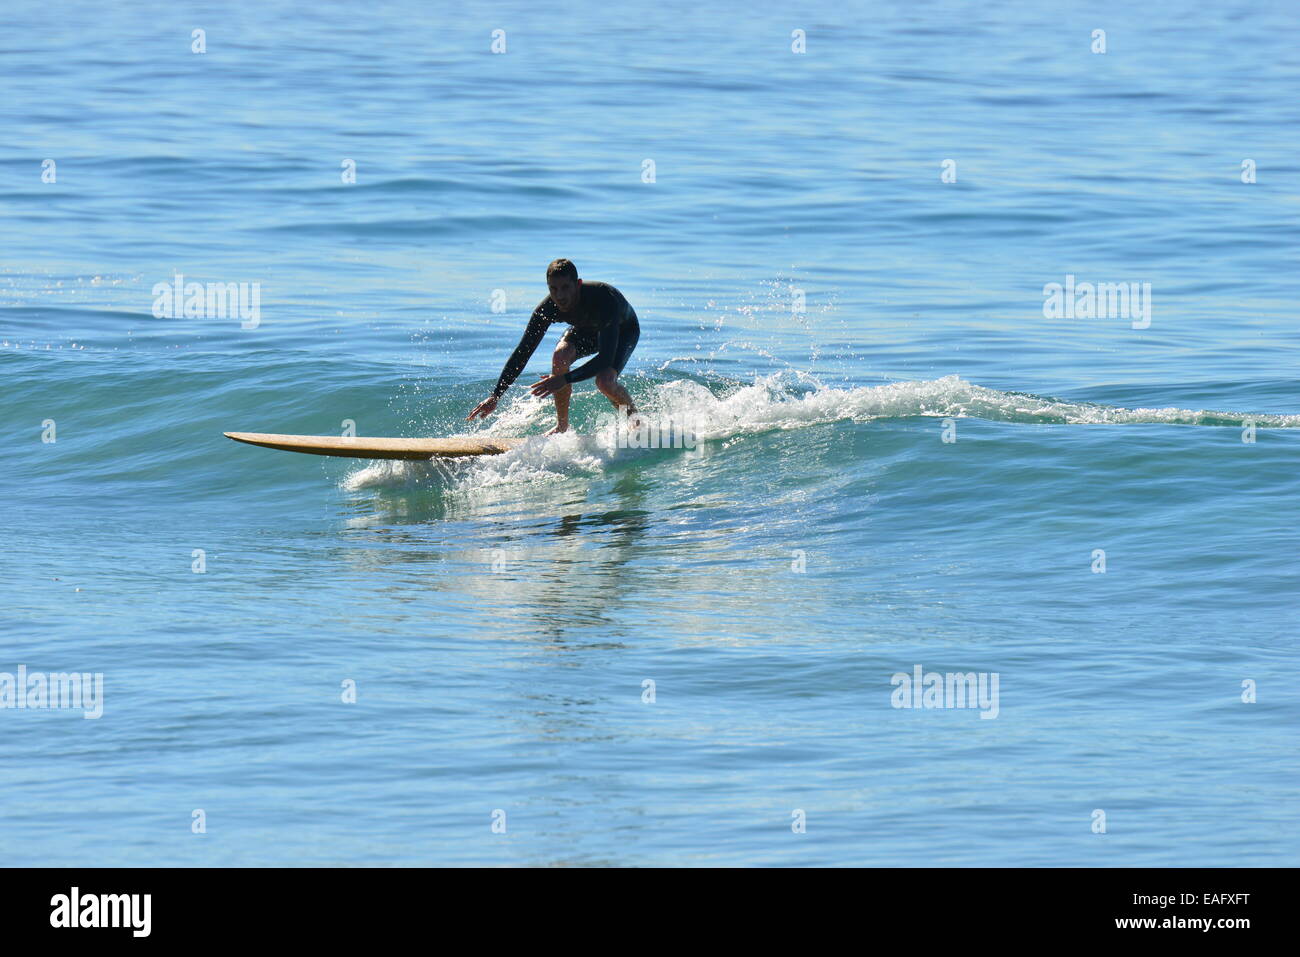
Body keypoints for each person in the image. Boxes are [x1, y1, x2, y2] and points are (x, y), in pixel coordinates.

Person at [467, 258, 640, 435]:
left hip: (622, 330)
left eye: (565, 287)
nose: (560, 296)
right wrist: (496, 395)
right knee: (560, 357)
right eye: (553, 289)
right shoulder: (548, 308)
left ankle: (637, 425)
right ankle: (562, 427)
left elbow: (605, 359)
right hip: (586, 330)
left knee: (605, 381)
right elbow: (523, 351)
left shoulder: (604, 298)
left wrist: (563, 379)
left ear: (578, 284)